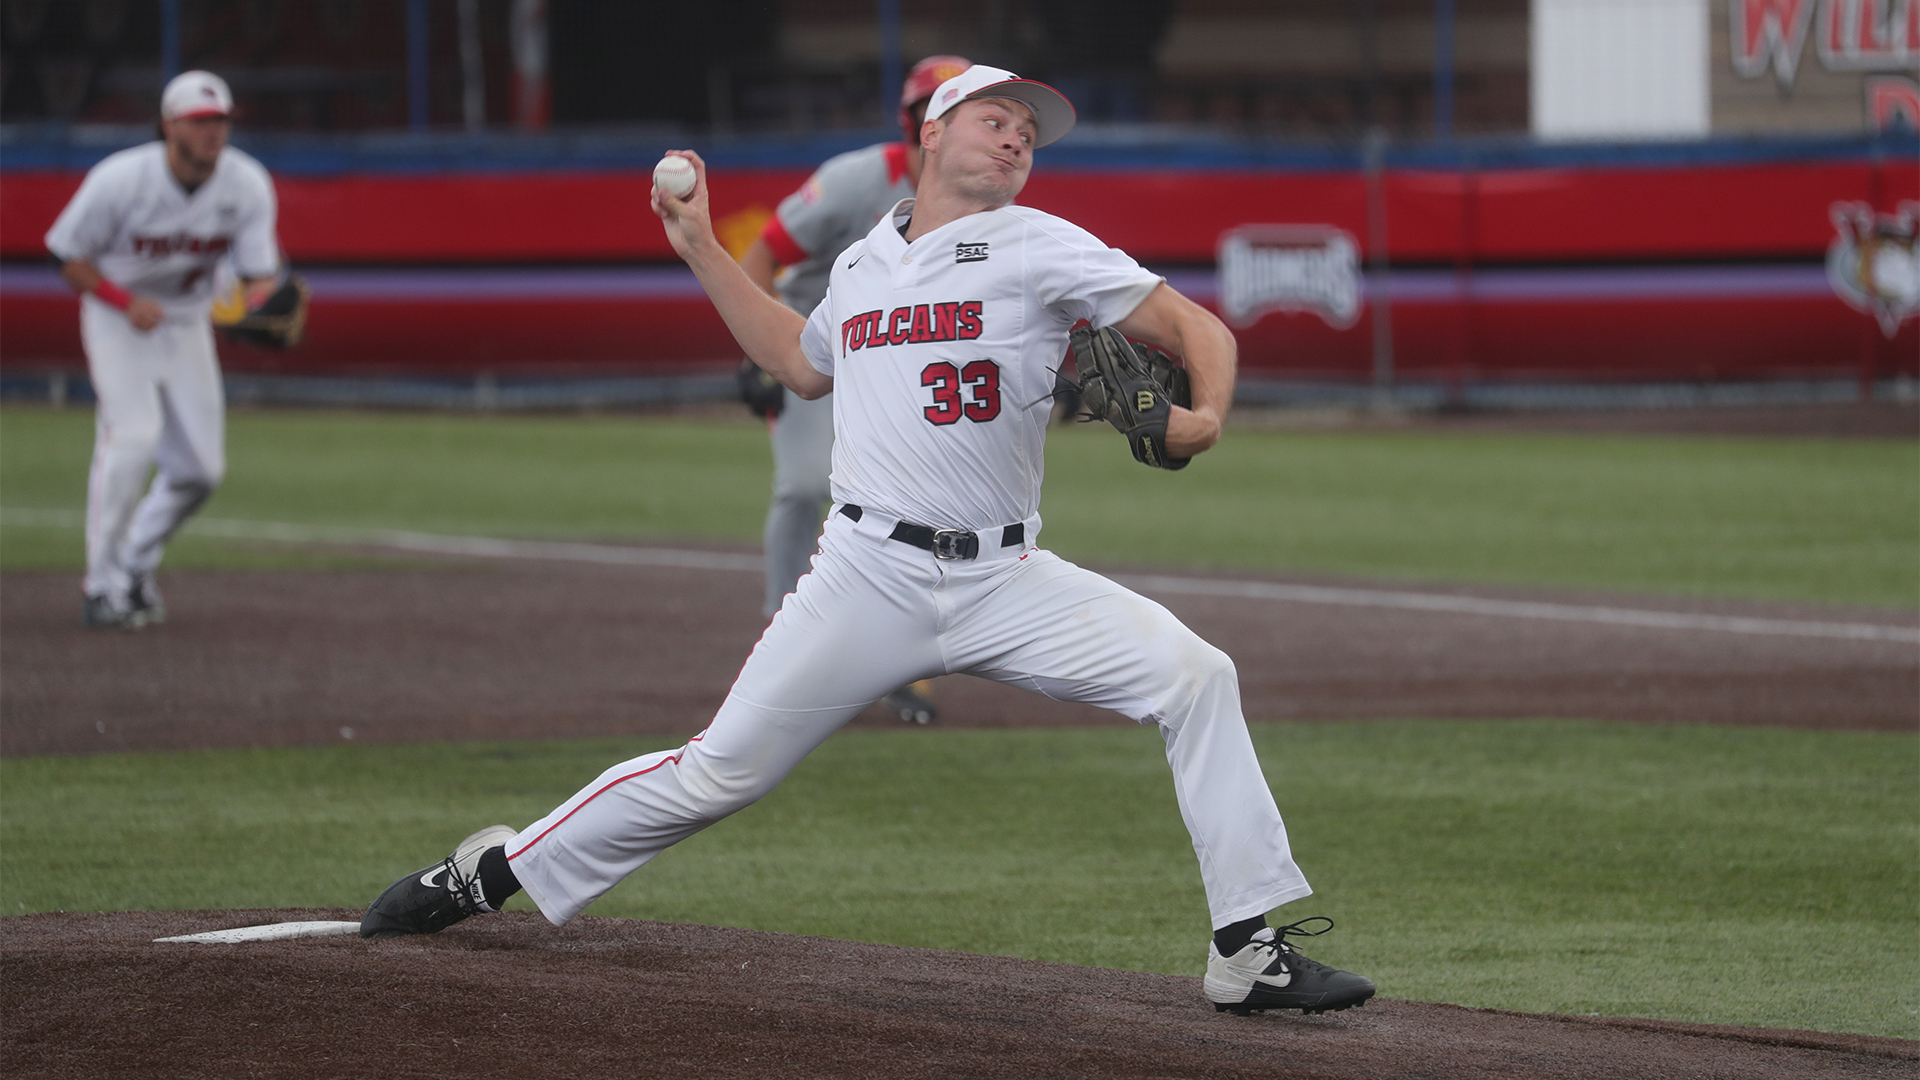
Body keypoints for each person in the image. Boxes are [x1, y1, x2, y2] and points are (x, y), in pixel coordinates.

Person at [361, 65, 1375, 1017]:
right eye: (997, 119)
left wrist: (1203, 418)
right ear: (932, 135)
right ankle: (487, 872)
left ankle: (1247, 951)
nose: (1018, 137)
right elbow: (800, 367)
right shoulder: (858, 265)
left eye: (1031, 131)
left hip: (1009, 576)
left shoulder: (1039, 242)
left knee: (1198, 677)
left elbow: (1204, 332)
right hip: (867, 576)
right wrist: (700, 248)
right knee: (719, 773)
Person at [737, 53, 972, 726]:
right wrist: (759, 353)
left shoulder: (982, 200)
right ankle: (781, 642)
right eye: (940, 113)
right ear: (915, 124)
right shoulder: (852, 181)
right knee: (803, 487)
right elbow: (763, 254)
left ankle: (907, 666)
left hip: (904, 369)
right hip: (820, 355)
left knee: (933, 506)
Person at [44, 70, 283, 628]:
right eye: (201, 122)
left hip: (187, 322)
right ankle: (100, 586)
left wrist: (257, 306)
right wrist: (122, 300)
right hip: (118, 317)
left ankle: (133, 569)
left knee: (201, 469)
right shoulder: (122, 179)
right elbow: (65, 256)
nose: (213, 133)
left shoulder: (246, 184)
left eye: (221, 121)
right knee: (133, 437)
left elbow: (259, 275)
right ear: (169, 124)